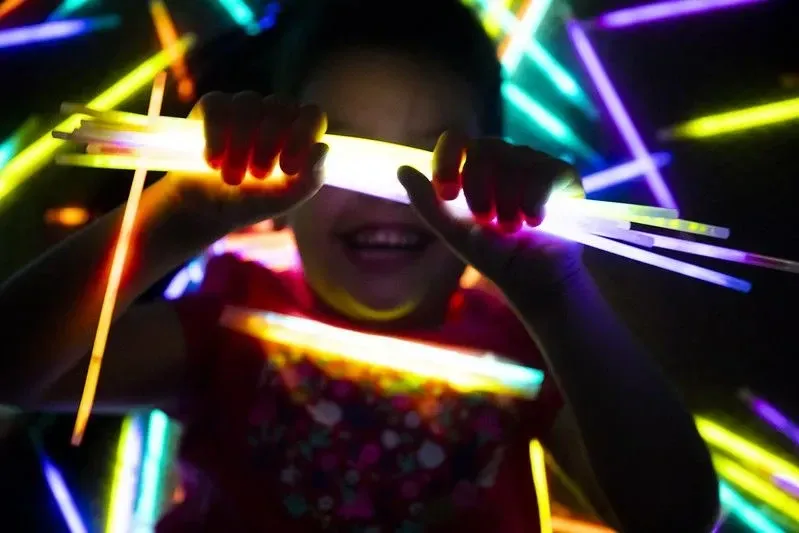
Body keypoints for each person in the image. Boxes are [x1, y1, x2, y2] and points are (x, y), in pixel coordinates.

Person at [0, 1, 719, 531]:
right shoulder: (230, 324)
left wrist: (559, 293)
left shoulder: (524, 351)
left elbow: (677, 516)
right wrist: (176, 214)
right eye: (348, 153)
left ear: (492, 174)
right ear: (277, 189)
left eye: (429, 156)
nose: (392, 194)